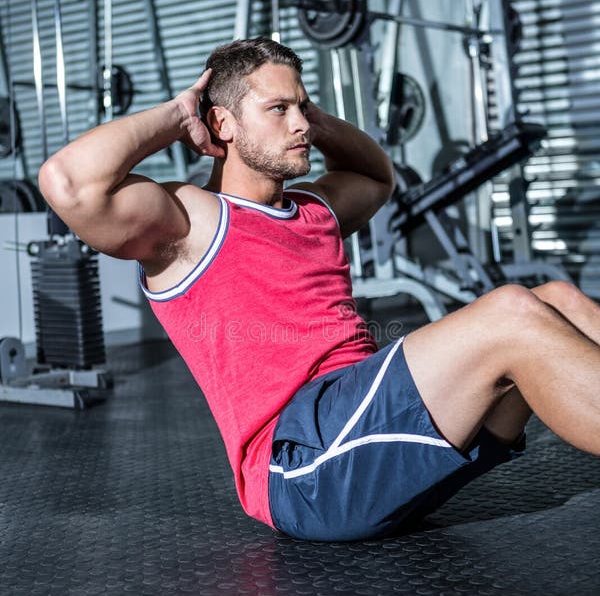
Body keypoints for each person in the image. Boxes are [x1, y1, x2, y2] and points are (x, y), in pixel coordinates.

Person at [39, 37, 600, 542]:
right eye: (277, 109)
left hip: (361, 435)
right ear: (223, 123)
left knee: (559, 301)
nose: (300, 124)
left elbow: (378, 177)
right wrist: (177, 114)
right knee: (511, 311)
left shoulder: (315, 209)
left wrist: (315, 117)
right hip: (300, 469)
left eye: (301, 107)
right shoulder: (192, 221)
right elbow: (67, 183)